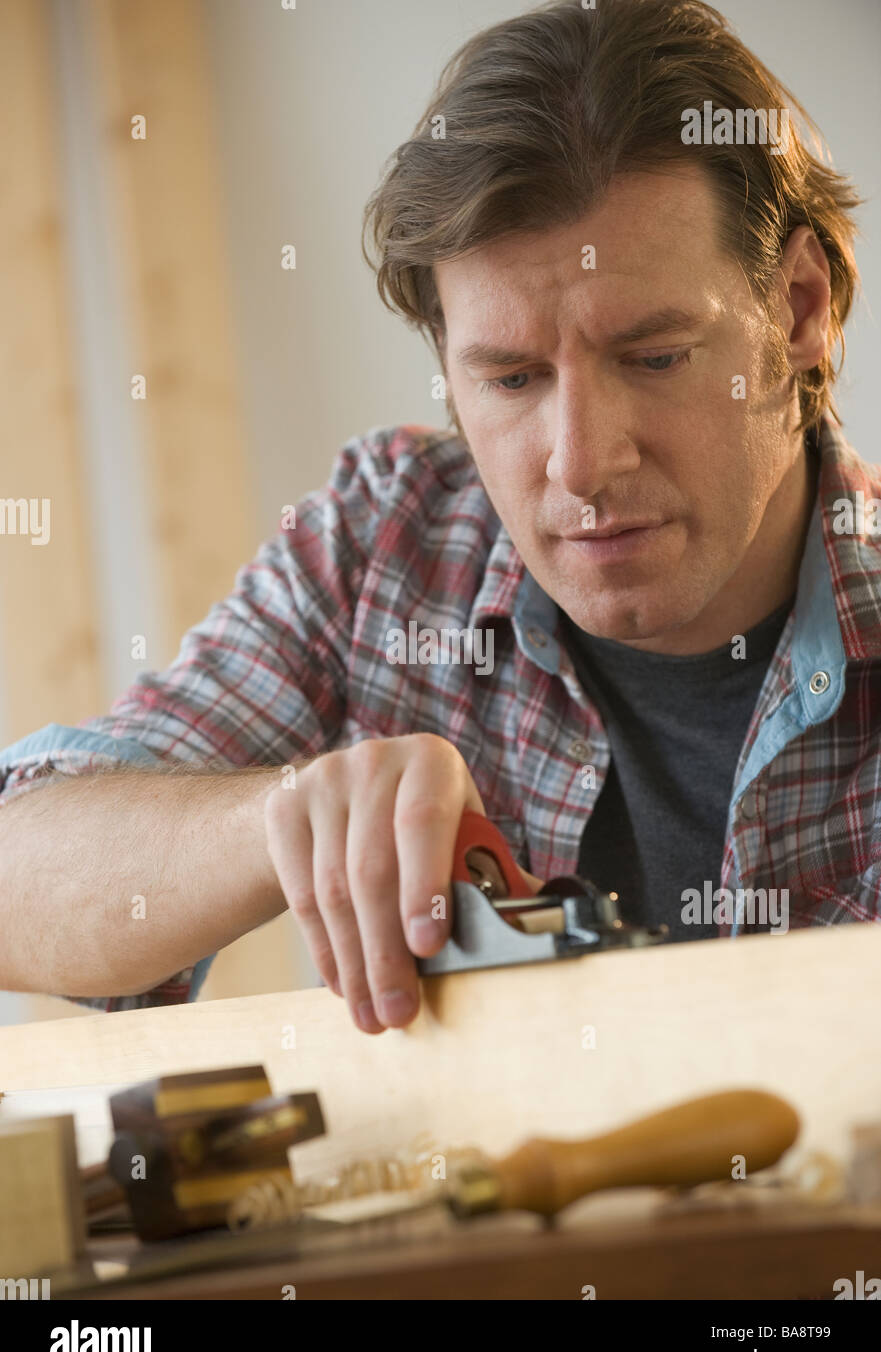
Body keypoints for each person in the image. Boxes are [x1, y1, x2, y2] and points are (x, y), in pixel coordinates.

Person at [1, 0, 876, 1035]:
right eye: (509, 378)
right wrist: (287, 819)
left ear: (799, 307)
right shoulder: (384, 545)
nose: (581, 460)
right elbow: (18, 876)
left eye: (652, 357)